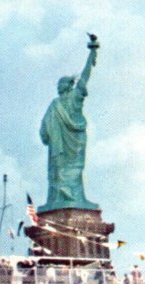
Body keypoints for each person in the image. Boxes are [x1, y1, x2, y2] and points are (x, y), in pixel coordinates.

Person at [39, 38, 99, 211]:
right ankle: (59, 197)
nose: (58, 86)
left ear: (68, 85)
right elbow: (44, 129)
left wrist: (92, 52)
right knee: (57, 170)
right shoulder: (54, 105)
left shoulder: (75, 96)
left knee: (75, 169)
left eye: (61, 83)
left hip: (74, 141)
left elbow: (85, 75)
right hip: (59, 146)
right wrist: (45, 132)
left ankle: (74, 197)